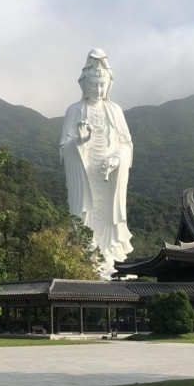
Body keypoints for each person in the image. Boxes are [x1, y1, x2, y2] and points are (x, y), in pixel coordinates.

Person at [59, 48, 133, 277]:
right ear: (84, 85)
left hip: (109, 174)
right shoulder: (75, 110)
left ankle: (110, 260)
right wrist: (79, 142)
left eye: (102, 85)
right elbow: (63, 149)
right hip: (84, 172)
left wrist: (117, 158)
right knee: (86, 216)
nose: (99, 90)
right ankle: (85, 258)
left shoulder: (115, 110)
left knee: (108, 217)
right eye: (94, 85)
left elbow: (126, 144)